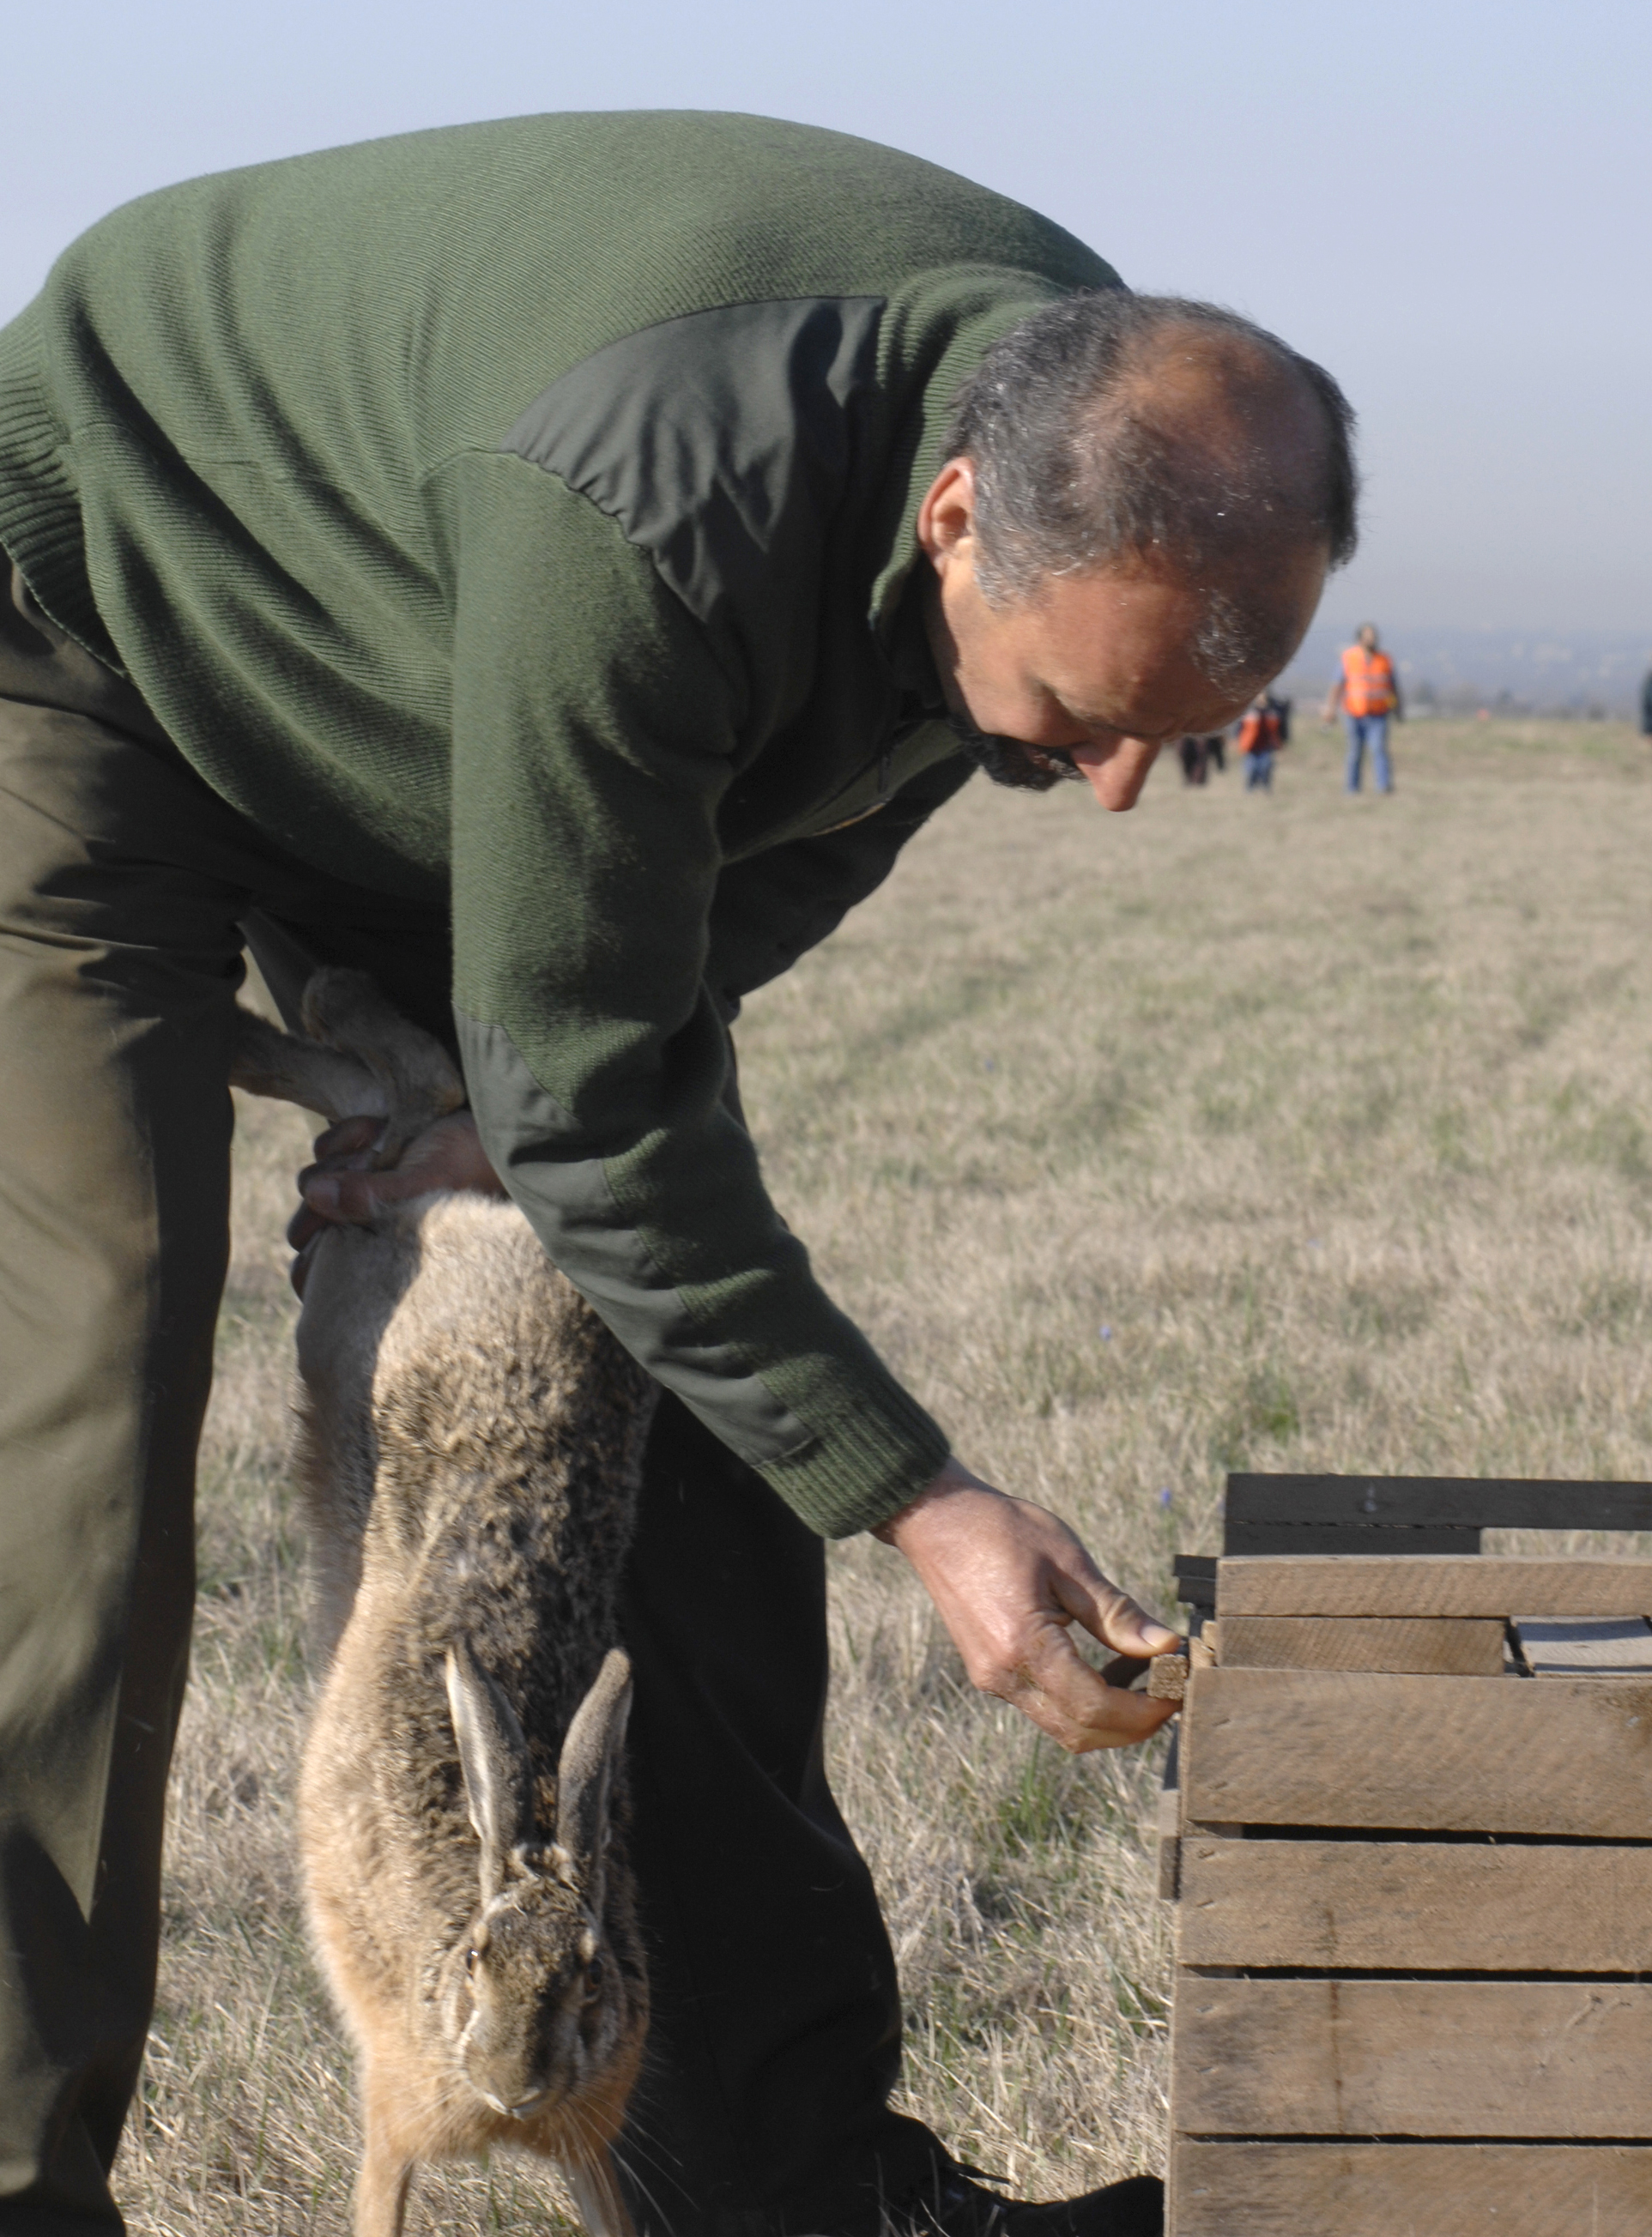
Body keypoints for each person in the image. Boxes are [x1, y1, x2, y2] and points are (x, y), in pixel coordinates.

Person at [0, 112, 1358, 2237]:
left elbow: (779, 844)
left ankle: (795, 2198)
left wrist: (543, 1098)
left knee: (665, 1409)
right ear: (952, 518)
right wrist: (920, 1492)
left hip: (456, 701)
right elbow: (604, 1104)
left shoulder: (1079, 415)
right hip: (104, 633)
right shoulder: (657, 499)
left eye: (1167, 736)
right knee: (88, 1400)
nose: (1108, 788)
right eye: (1074, 718)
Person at [1324, 620, 1401, 791]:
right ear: (1359, 639)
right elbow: (1337, 685)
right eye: (1368, 636)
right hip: (1353, 713)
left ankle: (1383, 787)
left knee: (1378, 749)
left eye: (1373, 636)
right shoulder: (1348, 658)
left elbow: (1393, 688)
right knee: (1354, 752)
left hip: (1379, 714)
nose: (1372, 640)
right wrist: (1331, 709)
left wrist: (1397, 709)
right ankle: (1352, 789)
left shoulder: (1384, 659)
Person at [1235, 692, 1286, 789]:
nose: (1262, 702)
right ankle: (1249, 791)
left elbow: (1278, 731)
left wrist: (1279, 745)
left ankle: (1266, 790)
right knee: (1251, 770)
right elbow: (1240, 730)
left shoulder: (1272, 715)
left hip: (1266, 747)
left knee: (1265, 769)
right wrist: (1239, 742)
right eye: (1260, 699)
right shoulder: (1249, 714)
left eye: (1264, 699)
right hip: (1251, 747)